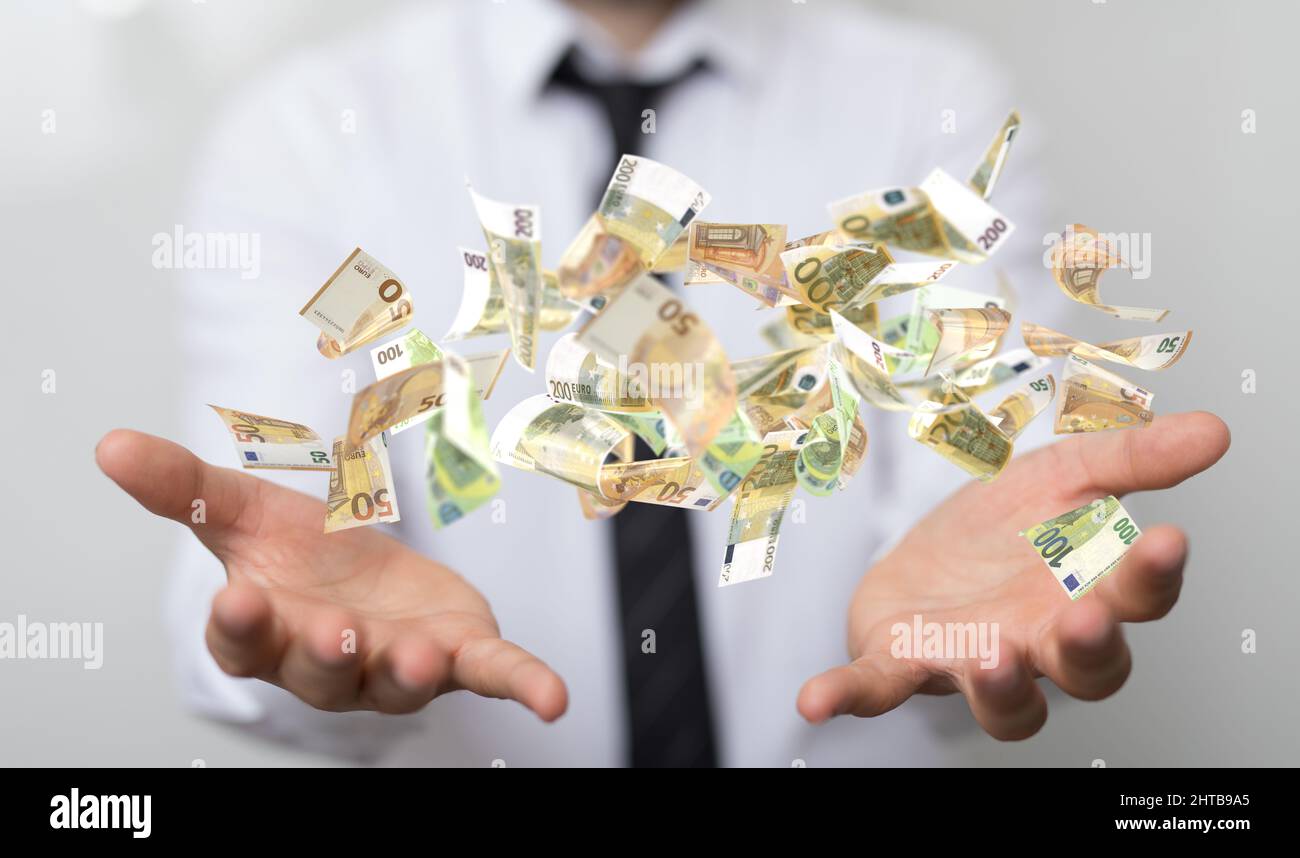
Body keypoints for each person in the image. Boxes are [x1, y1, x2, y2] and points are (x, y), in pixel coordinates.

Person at [94, 0, 1228, 766]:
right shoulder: (305, 136)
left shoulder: (931, 101)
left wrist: (1005, 571)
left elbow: (988, 454)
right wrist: (297, 646)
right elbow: (271, 537)